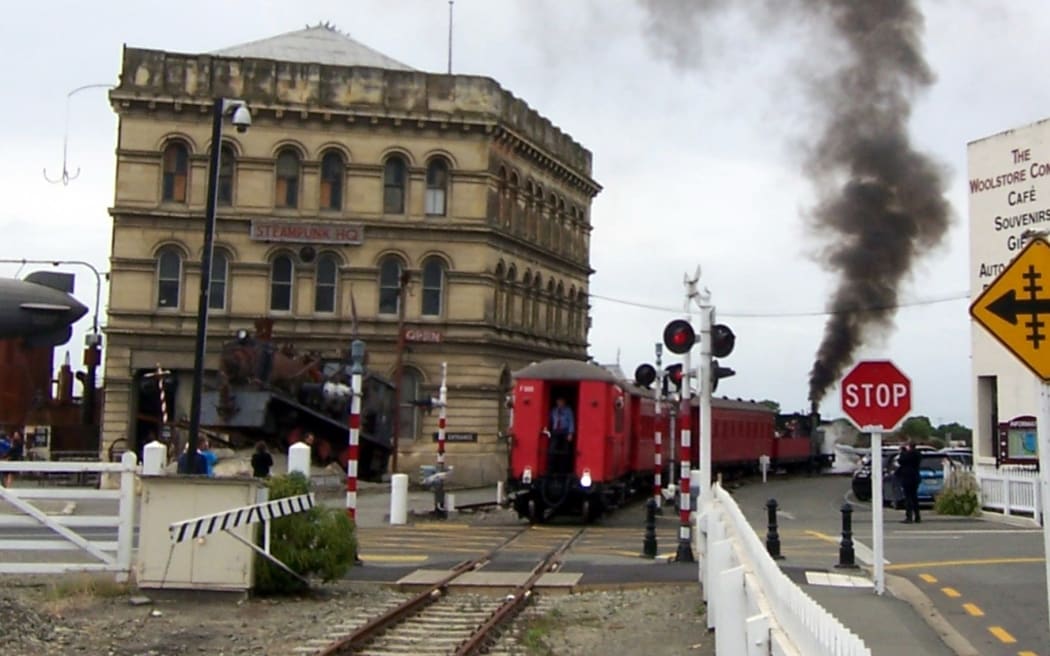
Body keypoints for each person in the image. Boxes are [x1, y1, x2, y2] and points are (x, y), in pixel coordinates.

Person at [548, 397, 575, 475]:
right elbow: (550, 420)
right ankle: (551, 469)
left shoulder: (568, 410)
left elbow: (571, 421)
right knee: (552, 450)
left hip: (565, 431)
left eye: (561, 401)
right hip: (555, 431)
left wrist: (570, 433)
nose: (560, 403)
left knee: (564, 451)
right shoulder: (554, 410)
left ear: (564, 402)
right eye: (558, 401)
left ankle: (563, 470)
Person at [896, 440, 922, 523]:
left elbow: (901, 461)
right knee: (914, 497)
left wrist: (902, 451)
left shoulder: (908, 455)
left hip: (908, 477)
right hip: (915, 477)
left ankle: (909, 517)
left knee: (908, 498)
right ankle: (917, 516)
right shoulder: (918, 454)